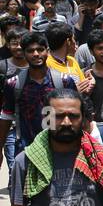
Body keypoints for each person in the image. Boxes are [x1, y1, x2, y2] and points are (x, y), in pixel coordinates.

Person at [0, 32, 79, 160]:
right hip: (27, 150)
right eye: (30, 51)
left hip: (61, 149)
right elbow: (6, 116)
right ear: (24, 53)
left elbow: (77, 113)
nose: (36, 54)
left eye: (40, 50)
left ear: (47, 51)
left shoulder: (64, 81)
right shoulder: (13, 84)